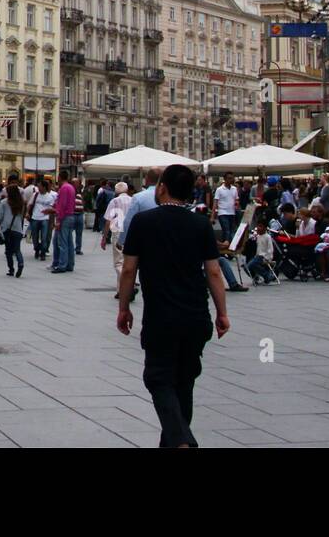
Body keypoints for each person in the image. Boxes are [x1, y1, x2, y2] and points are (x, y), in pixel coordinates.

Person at [117, 163, 229, 448]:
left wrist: (124, 307)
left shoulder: (144, 222)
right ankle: (174, 442)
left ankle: (181, 440)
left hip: (160, 317)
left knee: (158, 378)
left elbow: (129, 269)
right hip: (195, 315)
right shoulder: (201, 224)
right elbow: (214, 272)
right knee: (184, 382)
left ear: (162, 187)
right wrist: (222, 313)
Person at [101, 180, 132, 296]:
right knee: (127, 260)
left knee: (119, 262)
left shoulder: (115, 201)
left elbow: (108, 220)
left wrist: (104, 237)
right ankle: (121, 290)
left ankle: (128, 285)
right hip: (131, 232)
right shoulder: (133, 200)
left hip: (118, 231)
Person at [0, 183, 27, 277]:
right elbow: (22, 215)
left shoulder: (4, 202)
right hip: (18, 228)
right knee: (17, 249)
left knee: (8, 251)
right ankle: (20, 264)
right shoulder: (21, 203)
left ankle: (11, 269)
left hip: (7, 228)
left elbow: (1, 216)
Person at [50, 175, 78, 273]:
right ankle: (70, 264)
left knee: (62, 243)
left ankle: (62, 265)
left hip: (64, 217)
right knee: (69, 242)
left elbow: (62, 205)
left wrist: (58, 220)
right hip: (71, 216)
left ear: (60, 178)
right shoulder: (71, 188)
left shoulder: (64, 188)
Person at [28, 177, 55, 260]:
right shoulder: (35, 195)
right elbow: (30, 204)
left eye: (39, 186)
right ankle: (36, 249)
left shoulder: (50, 197)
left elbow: (51, 209)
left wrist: (52, 221)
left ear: (44, 187)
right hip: (35, 218)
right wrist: (27, 213)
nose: (38, 188)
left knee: (44, 237)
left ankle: (43, 252)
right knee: (34, 237)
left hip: (45, 219)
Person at [213, 174, 239, 243]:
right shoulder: (219, 189)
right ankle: (227, 245)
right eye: (229, 178)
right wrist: (213, 216)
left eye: (232, 178)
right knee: (227, 230)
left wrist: (236, 203)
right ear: (225, 179)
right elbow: (215, 202)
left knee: (230, 231)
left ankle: (227, 246)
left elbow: (236, 199)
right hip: (222, 212)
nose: (231, 180)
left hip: (232, 212)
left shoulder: (235, 189)